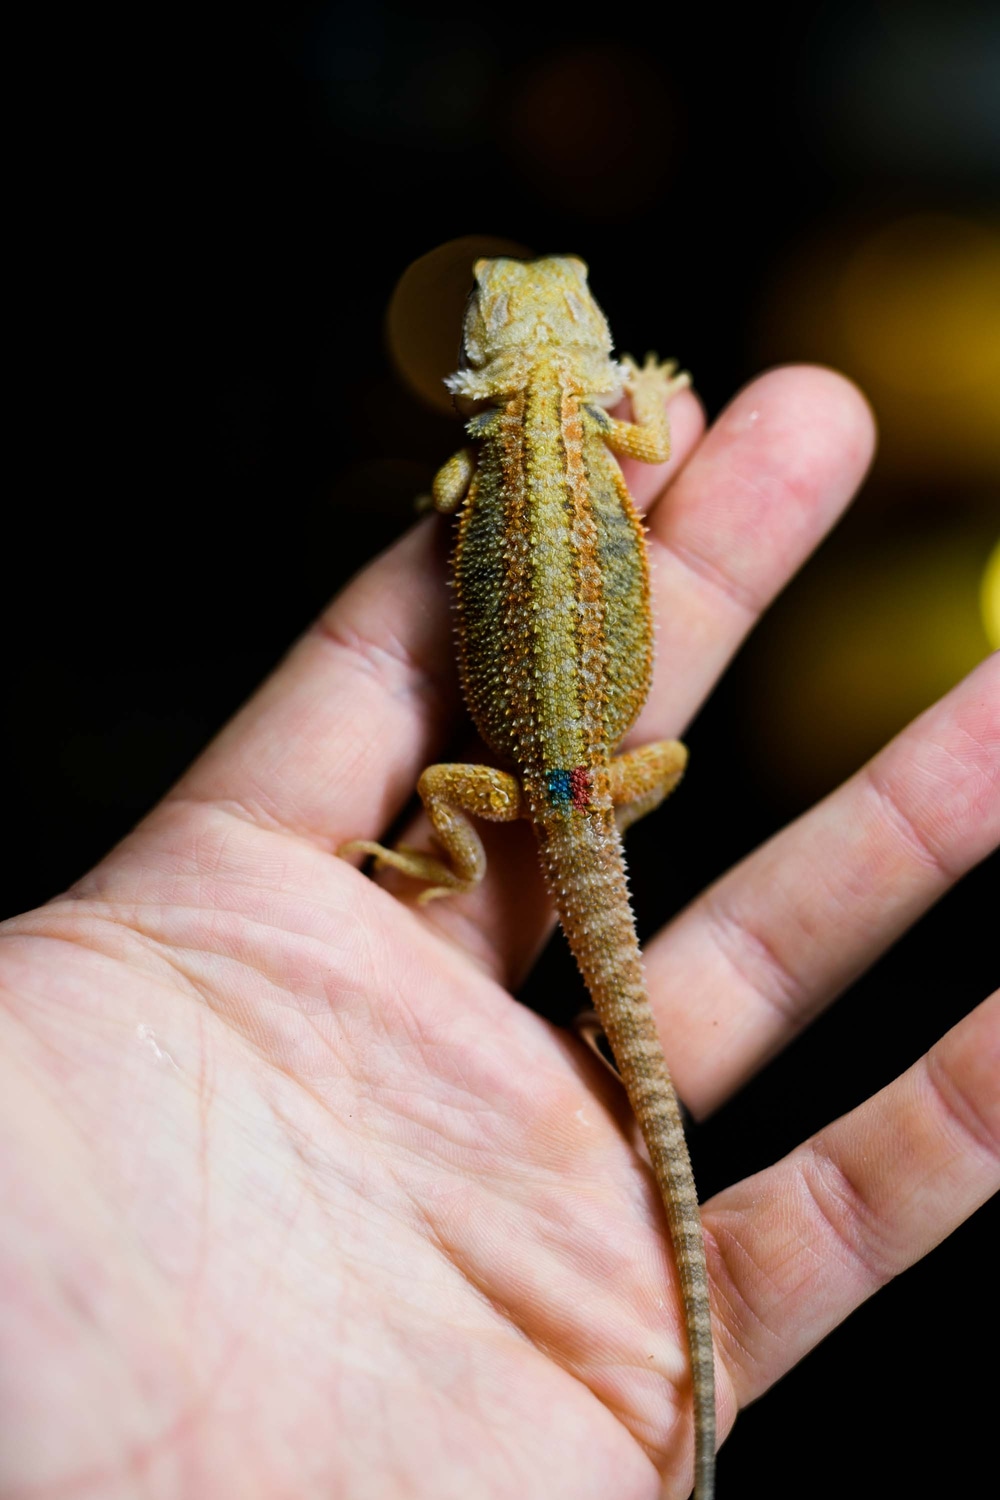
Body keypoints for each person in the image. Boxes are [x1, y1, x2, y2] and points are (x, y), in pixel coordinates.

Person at [1, 366, 996, 1497]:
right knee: (630, 776)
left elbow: (442, 492)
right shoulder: (609, 430)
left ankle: (446, 866)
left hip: (535, 786)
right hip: (600, 781)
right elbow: (640, 436)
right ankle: (466, 859)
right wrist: (648, 402)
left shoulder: (478, 458)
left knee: (447, 791)